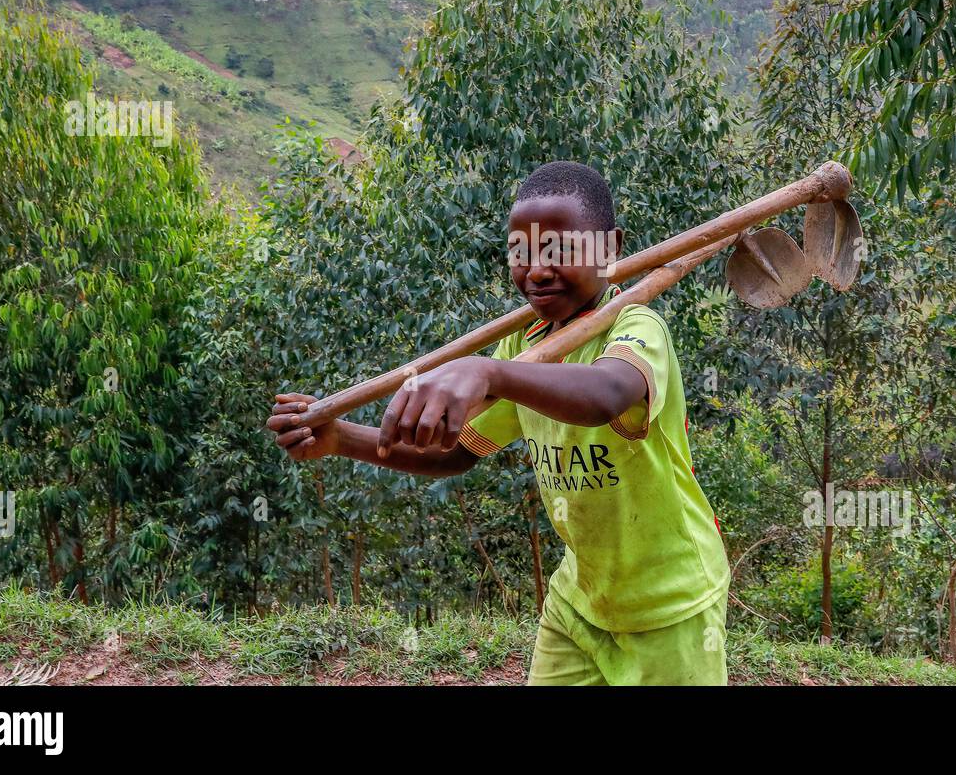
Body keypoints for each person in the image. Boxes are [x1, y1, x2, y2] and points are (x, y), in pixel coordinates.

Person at [266, 160, 729, 685]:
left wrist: (489, 373)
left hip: (671, 603)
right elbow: (457, 452)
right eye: (521, 254)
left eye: (562, 251)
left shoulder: (636, 326)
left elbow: (606, 394)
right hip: (581, 598)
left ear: (611, 247)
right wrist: (340, 438)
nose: (537, 271)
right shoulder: (522, 346)